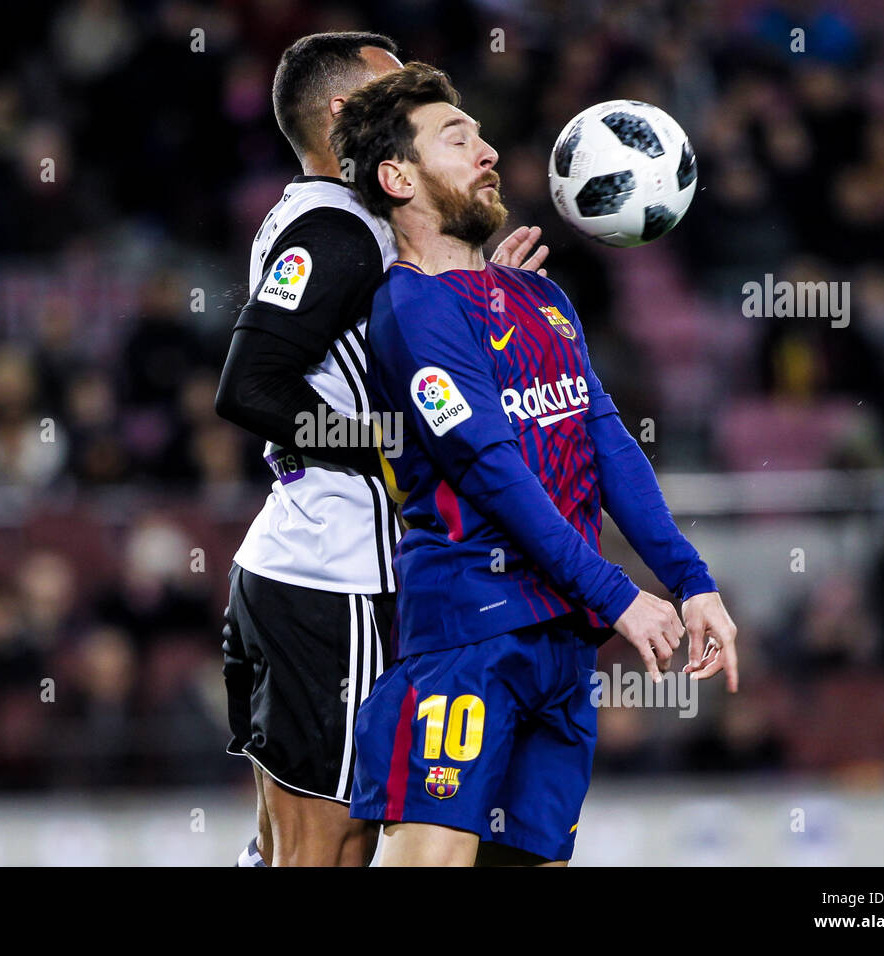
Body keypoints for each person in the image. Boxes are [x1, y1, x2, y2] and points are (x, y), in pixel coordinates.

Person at [330, 62, 739, 866]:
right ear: (396, 176)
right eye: (457, 138)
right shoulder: (410, 311)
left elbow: (609, 447)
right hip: (469, 633)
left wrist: (692, 582)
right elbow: (489, 469)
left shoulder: (540, 300)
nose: (488, 152)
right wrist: (622, 595)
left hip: (563, 648)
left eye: (481, 133)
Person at [214, 34, 548, 867]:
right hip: (336, 580)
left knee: (298, 851)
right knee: (329, 852)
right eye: (395, 91)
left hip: (333, 575)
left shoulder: (343, 220)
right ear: (342, 114)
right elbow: (250, 390)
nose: (417, 104)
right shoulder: (335, 230)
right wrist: (396, 444)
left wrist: (478, 294)